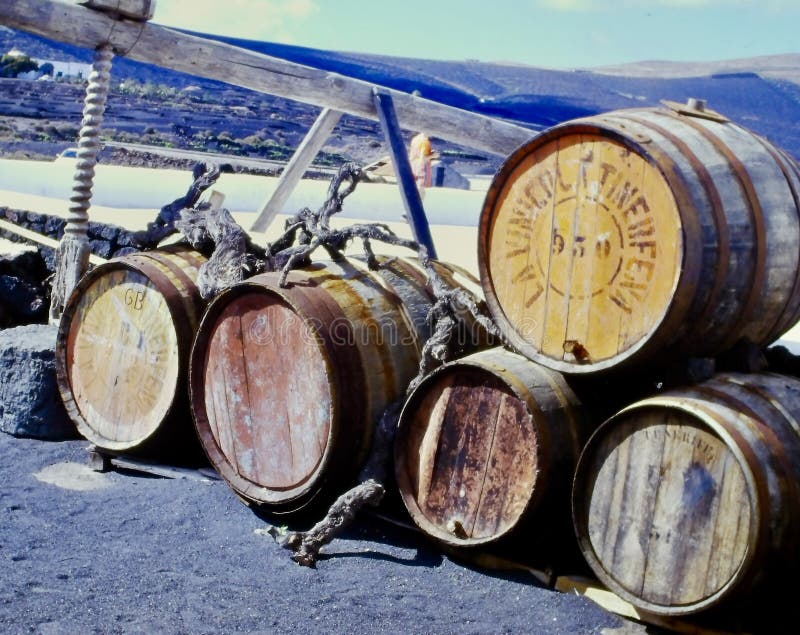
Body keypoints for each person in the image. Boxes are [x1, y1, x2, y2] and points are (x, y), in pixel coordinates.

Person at [409, 132, 435, 198]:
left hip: (415, 170)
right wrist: (433, 155)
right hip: (419, 173)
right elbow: (423, 159)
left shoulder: (415, 140)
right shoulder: (425, 142)